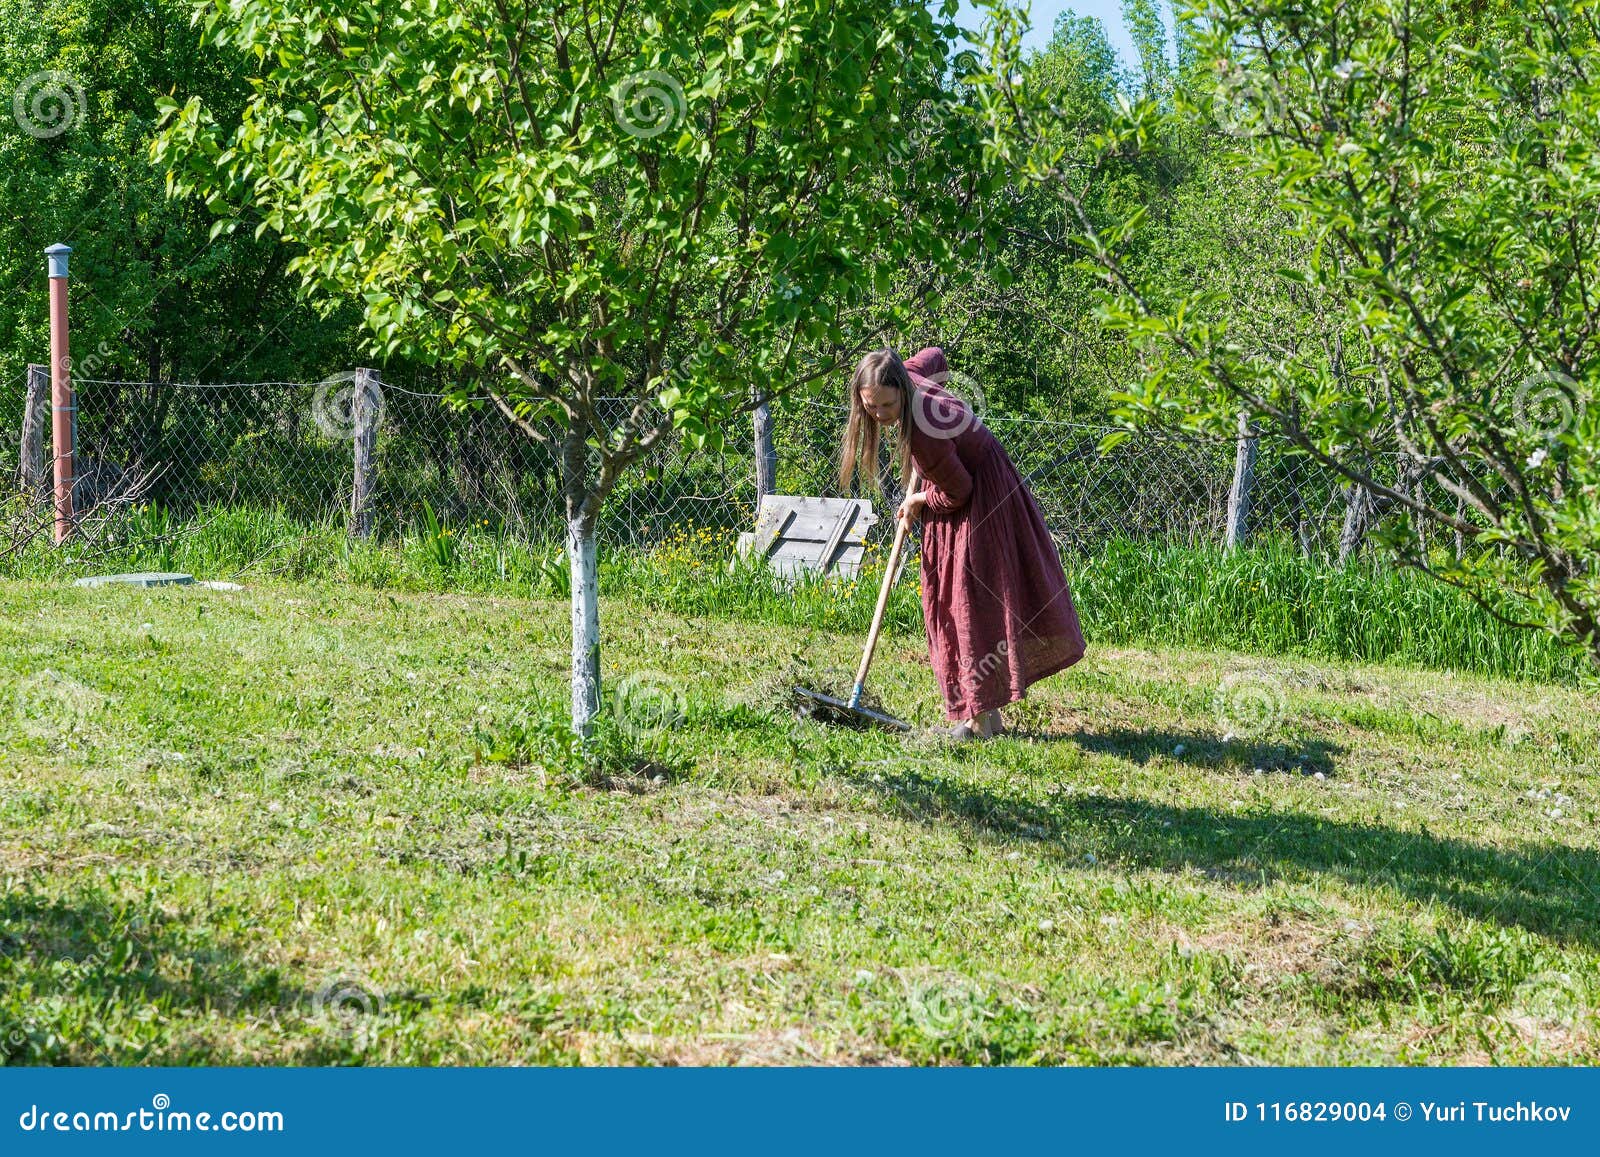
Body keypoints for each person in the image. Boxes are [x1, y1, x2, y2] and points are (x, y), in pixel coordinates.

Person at [839, 346, 1086, 739]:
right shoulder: (910, 374)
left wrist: (919, 499)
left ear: (901, 390)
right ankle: (991, 720)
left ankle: (977, 723)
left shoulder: (924, 436)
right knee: (975, 600)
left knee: (964, 604)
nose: (880, 415)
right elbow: (935, 355)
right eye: (870, 407)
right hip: (988, 479)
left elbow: (959, 492)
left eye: (887, 405)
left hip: (978, 503)